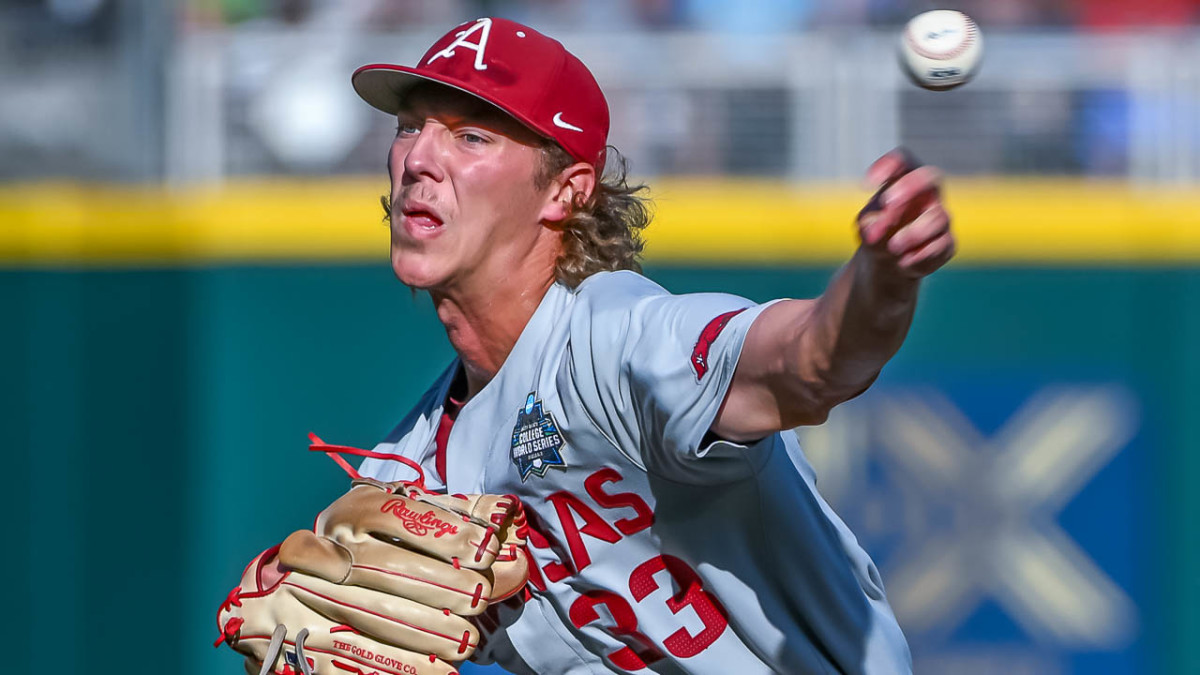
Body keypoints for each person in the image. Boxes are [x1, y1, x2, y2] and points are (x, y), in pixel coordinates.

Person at [346, 15, 953, 674]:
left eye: (470, 136)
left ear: (565, 192)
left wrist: (883, 280)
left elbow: (806, 363)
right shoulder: (407, 473)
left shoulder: (614, 343)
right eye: (410, 127)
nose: (419, 159)